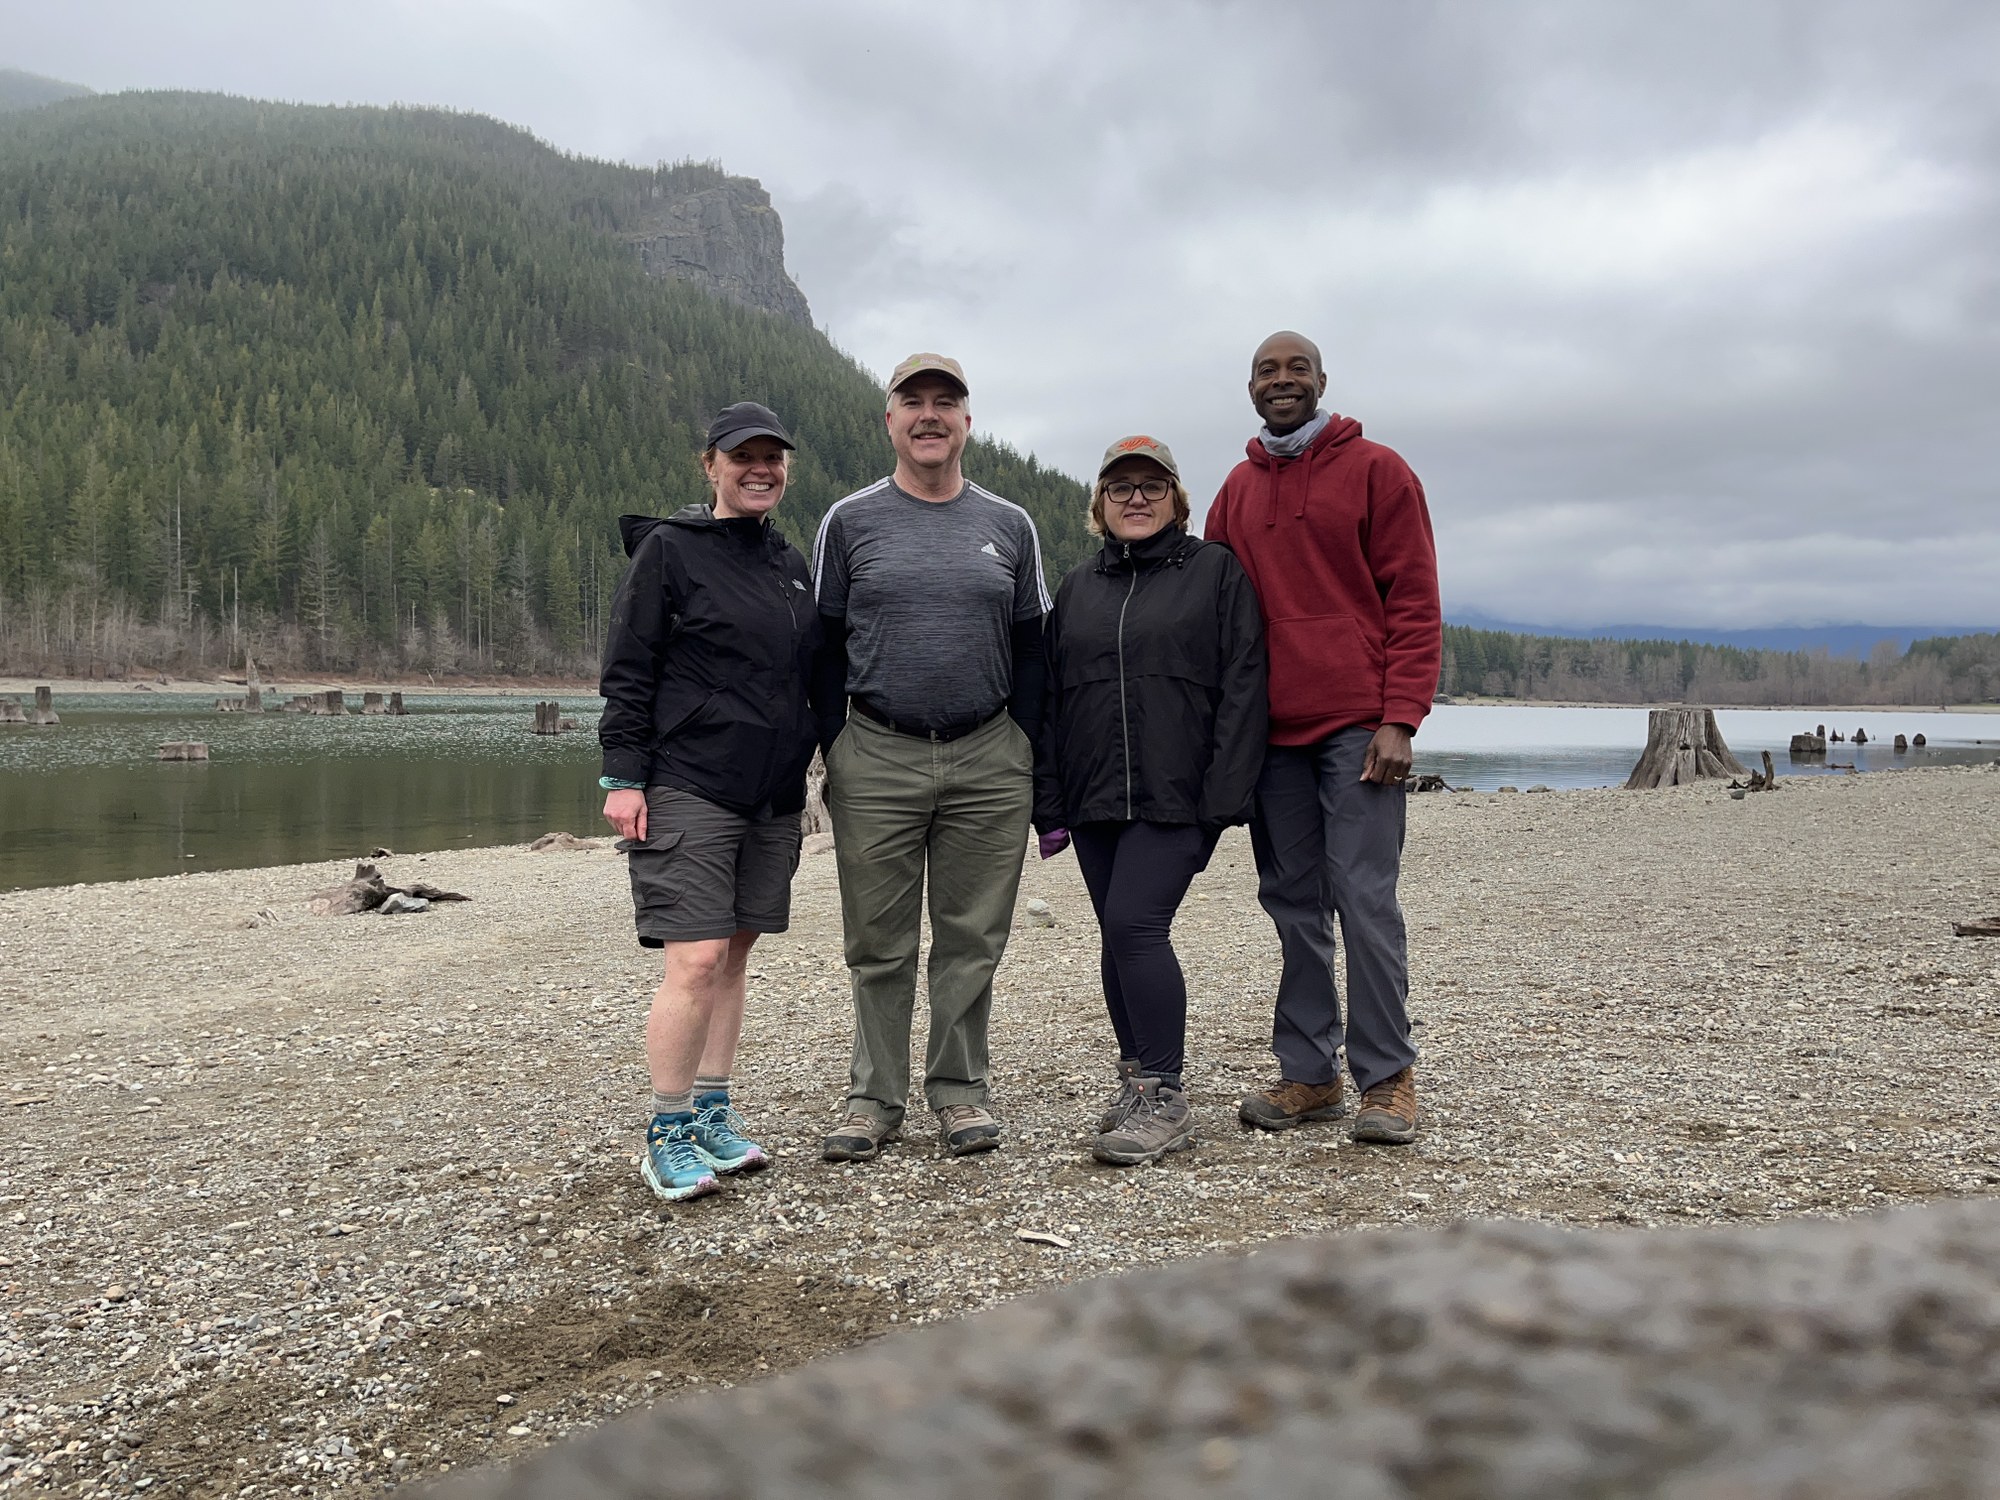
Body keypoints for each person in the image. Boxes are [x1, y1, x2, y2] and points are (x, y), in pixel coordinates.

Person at [810, 353, 1050, 1162]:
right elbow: (819, 647)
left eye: (945, 402)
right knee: (877, 939)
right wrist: (830, 747)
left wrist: (1027, 744)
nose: (929, 415)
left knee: (971, 936)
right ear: (889, 421)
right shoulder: (848, 522)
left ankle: (958, 1091)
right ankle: (874, 1097)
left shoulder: (1010, 525)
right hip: (875, 750)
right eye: (913, 401)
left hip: (989, 754)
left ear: (966, 423)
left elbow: (1034, 648)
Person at [1205, 332, 1442, 1145]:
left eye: (1295, 370)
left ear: (1321, 382)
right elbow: (1221, 619)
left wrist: (1400, 717)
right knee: (1293, 904)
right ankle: (1311, 1073)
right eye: (1267, 372)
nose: (1282, 382)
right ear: (1250, 388)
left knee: (1365, 899)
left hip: (1357, 729)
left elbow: (1413, 600)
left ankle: (1388, 1078)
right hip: (1272, 736)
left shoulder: (1379, 470)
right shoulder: (1235, 490)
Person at [598, 401, 826, 1202]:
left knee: (733, 955)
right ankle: (664, 1128)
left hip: (771, 794)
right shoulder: (670, 550)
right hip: (689, 782)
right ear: (711, 466)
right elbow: (628, 669)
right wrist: (622, 777)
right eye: (743, 457)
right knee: (692, 960)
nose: (760, 469)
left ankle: (713, 1112)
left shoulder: (790, 563)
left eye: (773, 458)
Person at [1033, 436, 1266, 1165]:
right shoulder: (1077, 588)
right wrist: (1051, 800)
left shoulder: (1215, 573)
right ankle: (1135, 1081)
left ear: (1177, 498)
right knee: (1115, 933)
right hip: (1095, 793)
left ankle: (1164, 1094)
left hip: (1178, 796)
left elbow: (1244, 687)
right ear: (1100, 504)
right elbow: (1048, 702)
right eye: (1121, 487)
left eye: (1152, 486)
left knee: (1137, 927)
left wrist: (1222, 799)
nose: (1137, 498)